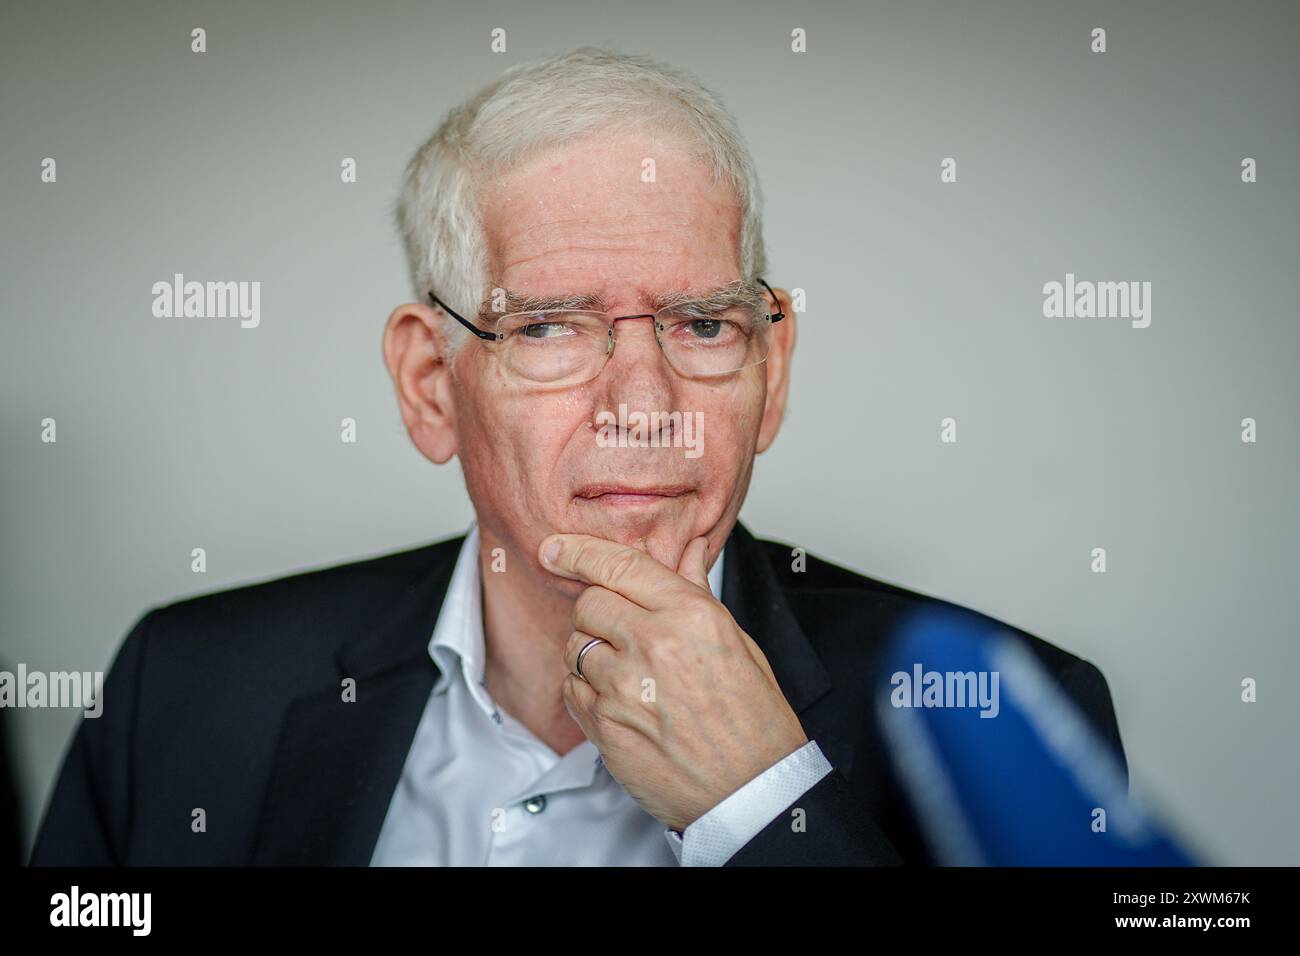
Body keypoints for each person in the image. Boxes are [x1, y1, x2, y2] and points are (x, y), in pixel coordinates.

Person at [30, 47, 1124, 867]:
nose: (645, 407)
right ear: (428, 383)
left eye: (701, 325)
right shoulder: (180, 688)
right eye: (549, 327)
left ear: (771, 370)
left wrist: (761, 799)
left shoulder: (999, 713)